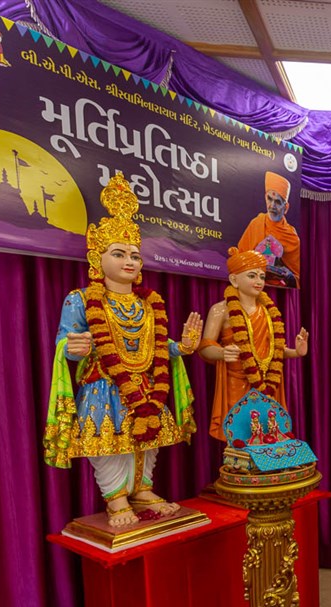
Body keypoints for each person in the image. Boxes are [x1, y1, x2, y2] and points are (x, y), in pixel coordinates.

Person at [43, 173, 202, 528]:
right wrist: (74, 348)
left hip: (148, 384)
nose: (130, 261)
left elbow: (156, 346)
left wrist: (182, 347)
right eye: (119, 253)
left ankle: (143, 490)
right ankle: (116, 499)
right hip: (105, 386)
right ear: (98, 259)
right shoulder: (81, 299)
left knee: (148, 443)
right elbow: (65, 345)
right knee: (112, 446)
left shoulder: (149, 304)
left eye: (134, 255)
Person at [198, 247, 315, 473]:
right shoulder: (221, 310)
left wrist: (296, 352)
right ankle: (242, 470)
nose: (259, 280)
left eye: (262, 276)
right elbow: (205, 347)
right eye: (252, 275)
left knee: (268, 428)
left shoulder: (270, 311)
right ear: (234, 279)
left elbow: (275, 352)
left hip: (269, 382)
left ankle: (269, 467)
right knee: (240, 431)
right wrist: (221, 352)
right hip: (235, 380)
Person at [236, 171, 300, 288]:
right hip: (253, 287)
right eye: (269, 199)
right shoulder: (256, 223)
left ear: (286, 207)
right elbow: (240, 258)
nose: (272, 206)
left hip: (280, 291)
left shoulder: (292, 237)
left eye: (277, 202)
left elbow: (298, 277)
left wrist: (291, 278)